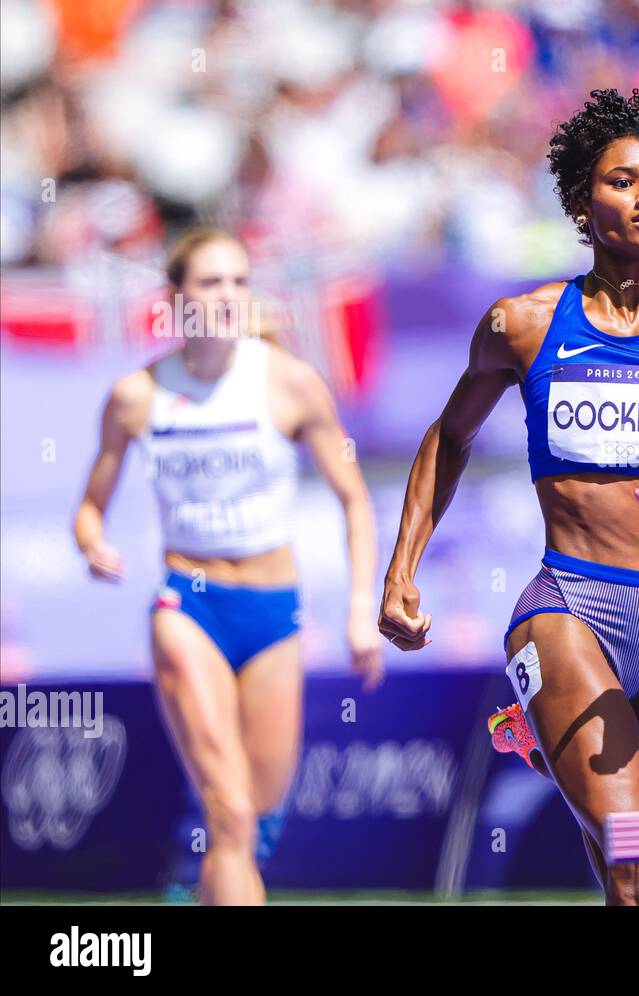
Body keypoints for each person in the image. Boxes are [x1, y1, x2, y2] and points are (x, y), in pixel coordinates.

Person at [379, 88, 639, 906]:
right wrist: (401, 572)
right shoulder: (524, 324)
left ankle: (540, 740)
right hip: (570, 606)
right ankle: (543, 705)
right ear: (579, 202)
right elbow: (449, 437)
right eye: (624, 181)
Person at [74, 227, 382, 905]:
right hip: (189, 607)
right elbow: (89, 506)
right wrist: (92, 543)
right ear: (176, 296)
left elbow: (355, 501)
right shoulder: (138, 394)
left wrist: (362, 611)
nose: (228, 296)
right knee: (231, 812)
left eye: (239, 282)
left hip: (274, 612)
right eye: (211, 282)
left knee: (258, 822)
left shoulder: (290, 383)